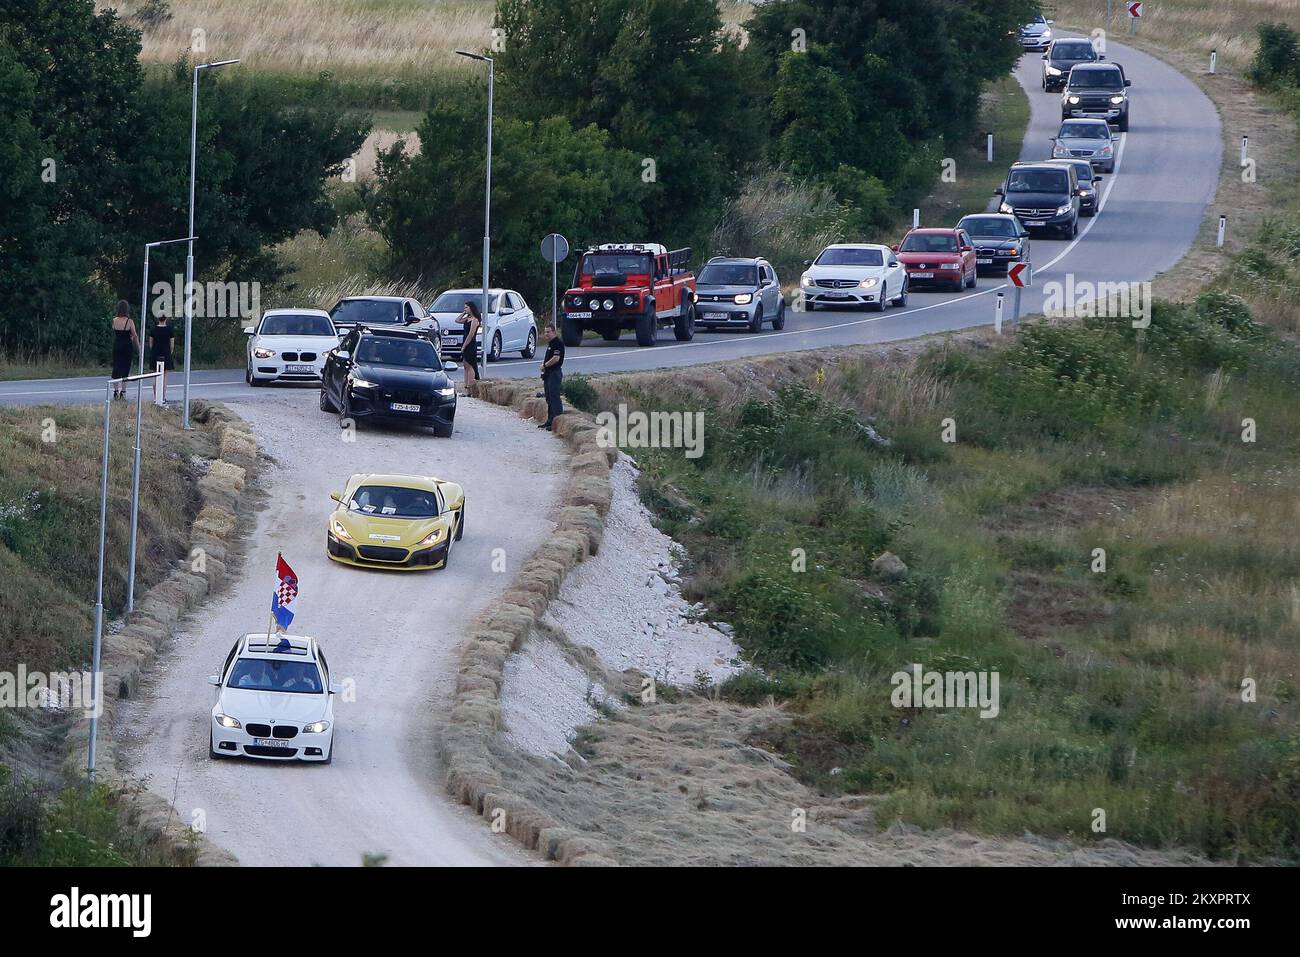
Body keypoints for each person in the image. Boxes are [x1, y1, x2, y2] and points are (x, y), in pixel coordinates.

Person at [109, 300, 140, 399]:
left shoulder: (114, 320)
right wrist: (138, 347)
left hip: (117, 345)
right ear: (127, 309)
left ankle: (115, 391)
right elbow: (134, 335)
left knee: (116, 367)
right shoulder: (129, 321)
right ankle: (123, 392)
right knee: (125, 369)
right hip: (127, 346)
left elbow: (115, 331)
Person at [539, 321, 565, 431]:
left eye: (548, 332)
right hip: (548, 373)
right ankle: (550, 420)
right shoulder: (550, 344)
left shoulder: (557, 343)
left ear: (554, 332)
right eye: (545, 332)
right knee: (549, 397)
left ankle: (557, 421)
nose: (546, 334)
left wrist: (545, 365)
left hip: (554, 372)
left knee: (554, 397)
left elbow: (556, 358)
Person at [148, 313, 174, 406]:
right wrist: (169, 352)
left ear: (158, 318)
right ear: (166, 318)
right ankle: (162, 398)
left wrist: (154, 351)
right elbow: (172, 345)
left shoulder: (154, 330)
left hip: (155, 354)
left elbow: (151, 344)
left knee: (155, 376)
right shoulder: (169, 330)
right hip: (166, 354)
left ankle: (156, 398)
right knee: (165, 377)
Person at [456, 301, 482, 394]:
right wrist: (463, 313)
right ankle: (466, 387)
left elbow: (471, 334)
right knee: (465, 365)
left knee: (471, 365)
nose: (465, 309)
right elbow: (457, 320)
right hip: (465, 342)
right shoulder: (467, 319)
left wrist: (464, 346)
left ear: (471, 308)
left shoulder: (475, 320)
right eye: (464, 307)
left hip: (470, 344)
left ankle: (470, 388)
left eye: (466, 307)